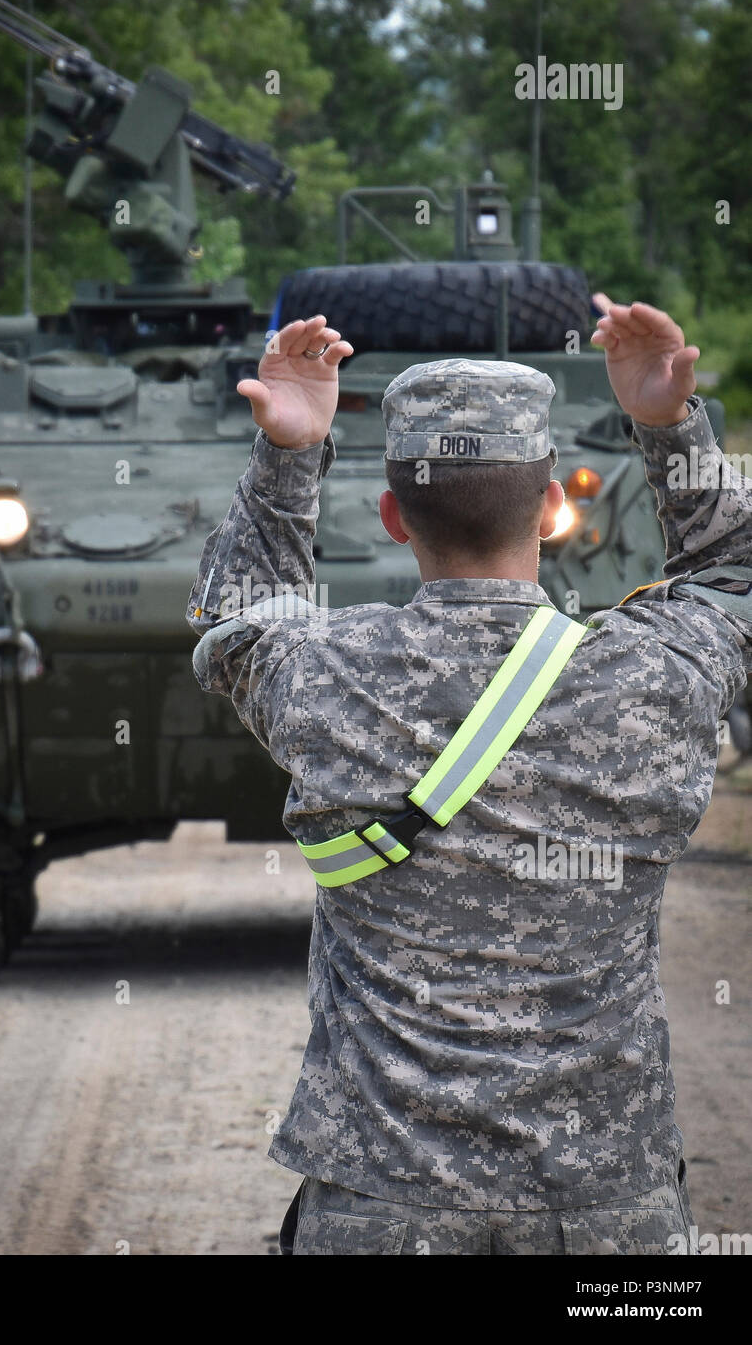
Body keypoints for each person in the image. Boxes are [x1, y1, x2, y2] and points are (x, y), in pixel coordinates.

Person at [185, 298, 751, 1255]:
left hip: (381, 1203)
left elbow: (240, 613)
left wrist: (289, 454)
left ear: (394, 515)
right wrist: (666, 425)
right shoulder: (652, 676)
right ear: (550, 508)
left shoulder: (327, 677)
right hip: (612, 1214)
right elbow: (737, 572)